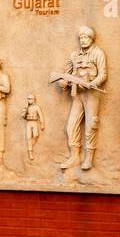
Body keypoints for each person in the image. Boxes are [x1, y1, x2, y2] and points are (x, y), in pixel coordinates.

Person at [53, 26, 107, 171]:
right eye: (81, 38)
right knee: (70, 126)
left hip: (91, 94)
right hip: (77, 94)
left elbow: (103, 74)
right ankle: (75, 156)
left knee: (91, 126)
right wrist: (63, 83)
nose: (83, 40)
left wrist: (92, 83)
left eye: (86, 38)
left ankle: (89, 159)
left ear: (91, 39)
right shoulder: (74, 55)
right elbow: (66, 74)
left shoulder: (98, 53)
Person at [20, 94, 46, 162]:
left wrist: (42, 124)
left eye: (31, 99)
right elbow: (22, 116)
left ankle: (30, 145)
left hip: (34, 122)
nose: (29, 100)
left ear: (34, 99)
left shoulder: (37, 107)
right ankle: (30, 152)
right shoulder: (26, 107)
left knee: (36, 135)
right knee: (28, 137)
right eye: (28, 99)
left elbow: (40, 116)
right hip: (29, 123)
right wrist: (25, 109)